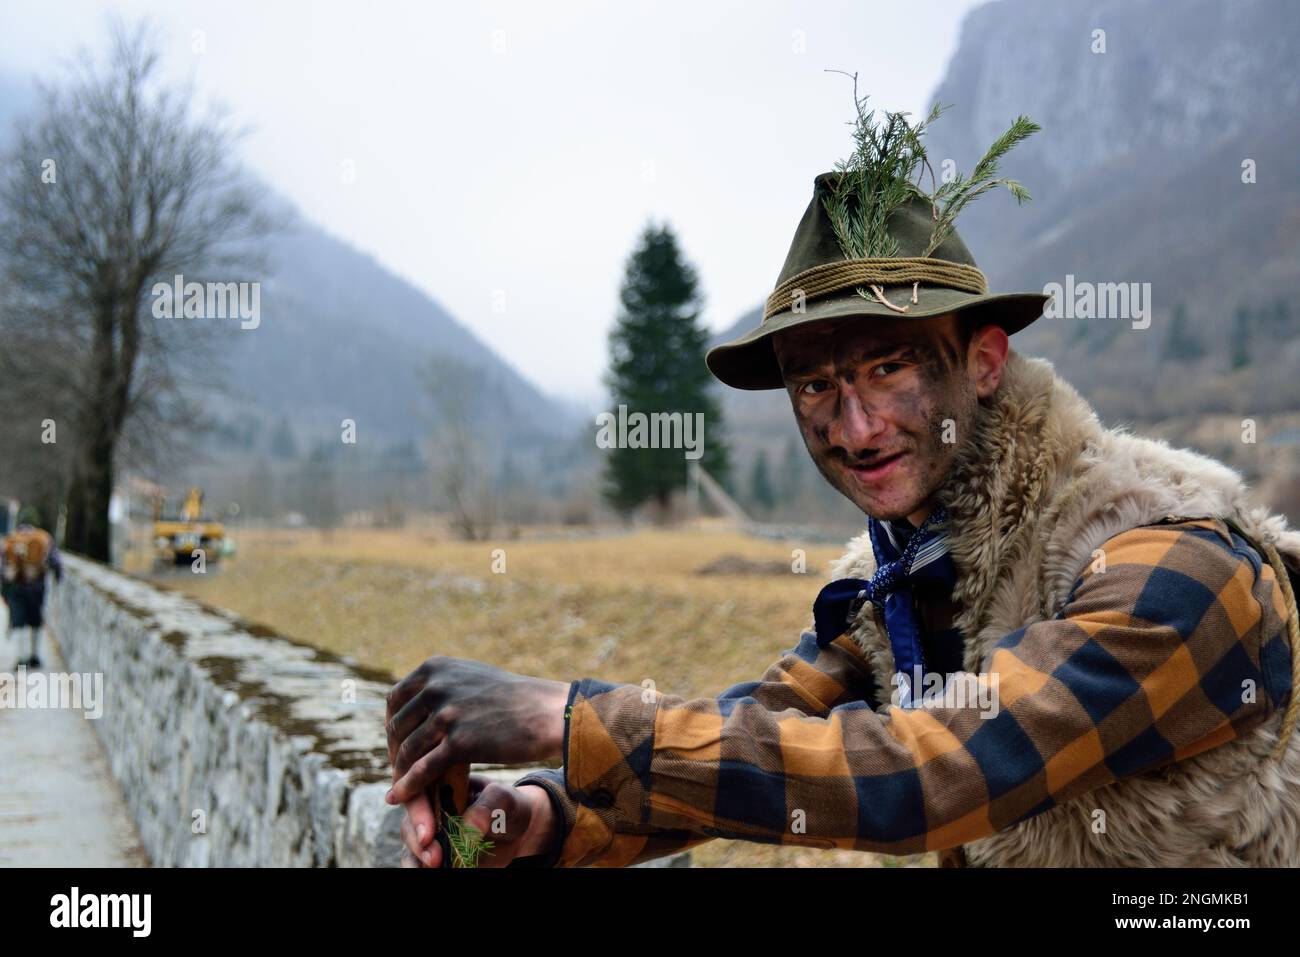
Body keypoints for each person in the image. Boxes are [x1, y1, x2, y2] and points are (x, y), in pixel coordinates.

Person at [384, 108, 1300, 868]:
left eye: (892, 366)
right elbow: (764, 733)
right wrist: (542, 820)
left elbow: (926, 772)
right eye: (816, 384)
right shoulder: (902, 577)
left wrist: (562, 715)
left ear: (985, 361)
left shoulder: (1170, 561)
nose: (854, 430)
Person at [2, 506, 64, 669]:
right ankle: (34, 655)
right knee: (34, 619)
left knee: (18, 620)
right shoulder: (43, 538)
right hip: (36, 586)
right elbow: (55, 560)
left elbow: (2, 564)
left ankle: (21, 657)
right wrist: (58, 577)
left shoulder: (10, 539)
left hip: (15, 586)